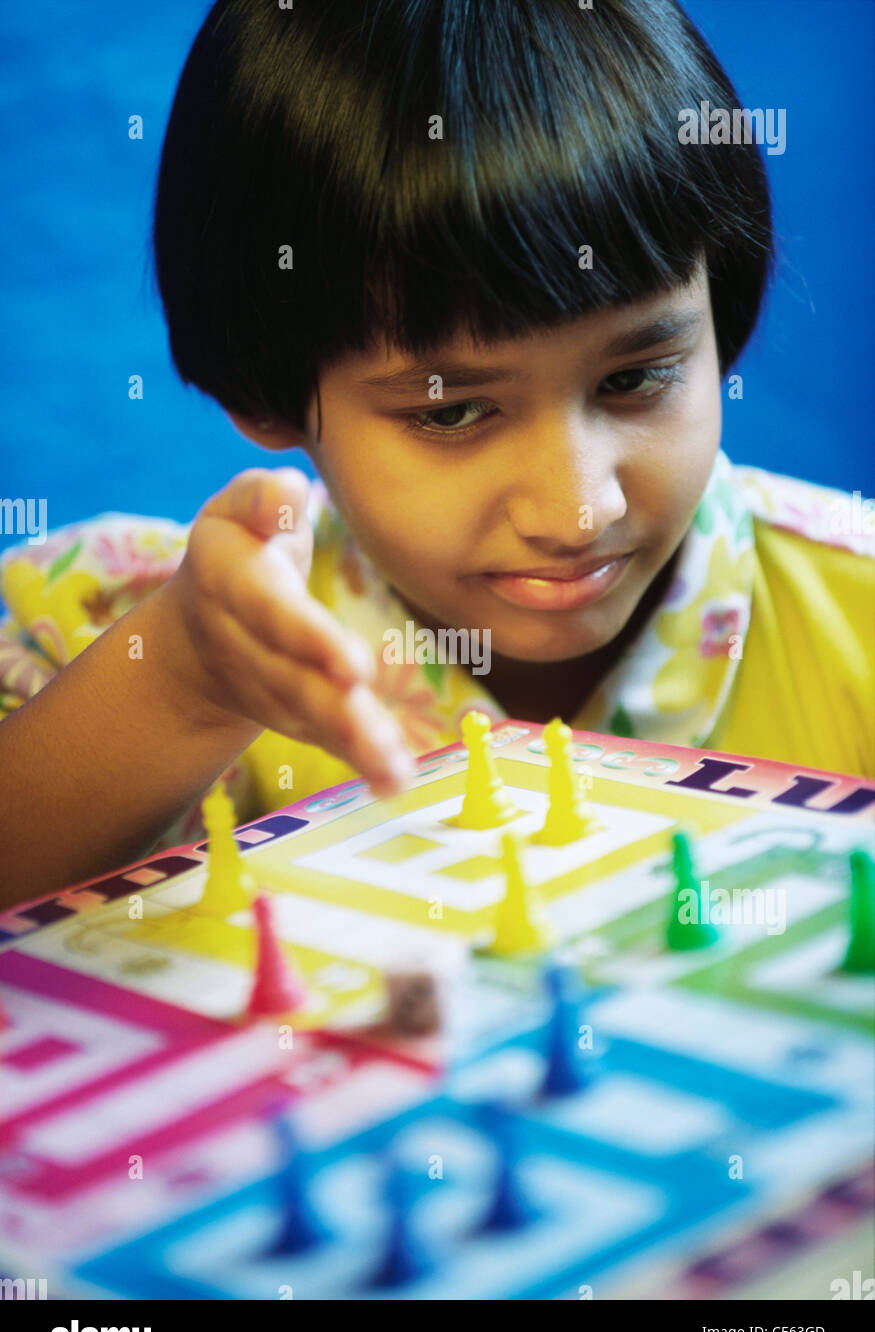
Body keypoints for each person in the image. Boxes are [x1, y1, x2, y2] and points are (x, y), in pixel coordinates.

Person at [1, 0, 871, 910]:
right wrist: (182, 688)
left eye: (634, 379)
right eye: (454, 414)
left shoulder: (857, 614)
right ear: (263, 394)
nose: (578, 508)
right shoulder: (148, 655)